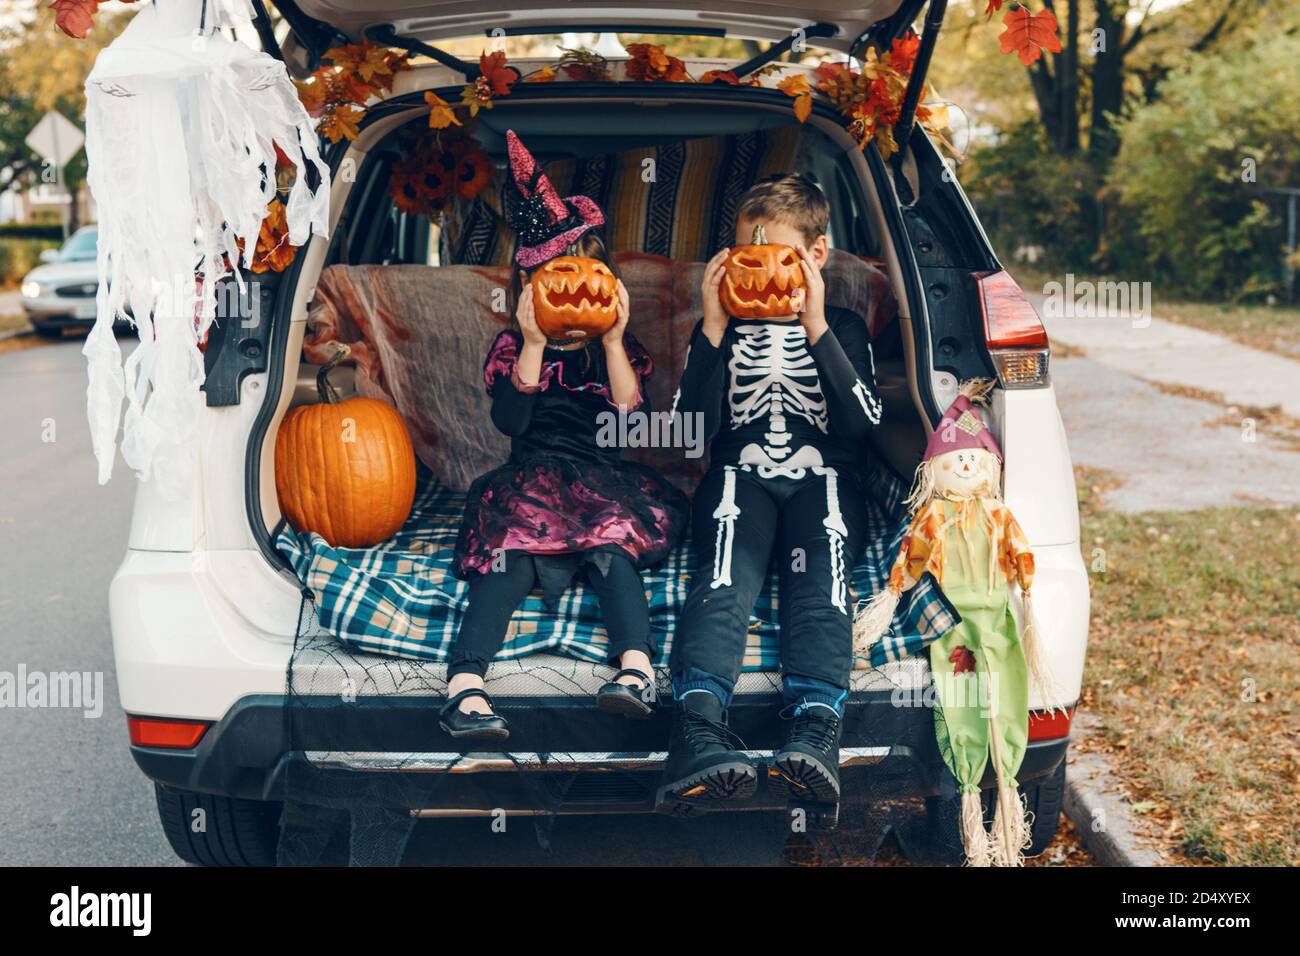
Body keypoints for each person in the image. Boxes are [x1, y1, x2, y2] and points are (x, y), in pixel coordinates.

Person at [441, 130, 688, 743]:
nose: (575, 287)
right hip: (531, 474)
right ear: (529, 291)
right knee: (510, 557)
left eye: (589, 274)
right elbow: (512, 423)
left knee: (611, 550)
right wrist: (529, 340)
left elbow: (632, 416)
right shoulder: (515, 348)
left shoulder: (618, 349)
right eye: (556, 278)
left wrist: (611, 340)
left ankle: (634, 671)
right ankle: (465, 689)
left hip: (604, 479)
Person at [658, 173, 883, 813]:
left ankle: (815, 733)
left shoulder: (843, 325)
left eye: (775, 259)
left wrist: (815, 327)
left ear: (815, 256)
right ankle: (697, 730)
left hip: (824, 475)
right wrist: (710, 324)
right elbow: (687, 427)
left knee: (823, 571)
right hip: (740, 473)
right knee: (727, 571)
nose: (757, 274)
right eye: (742, 259)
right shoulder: (720, 331)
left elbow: (862, 423)